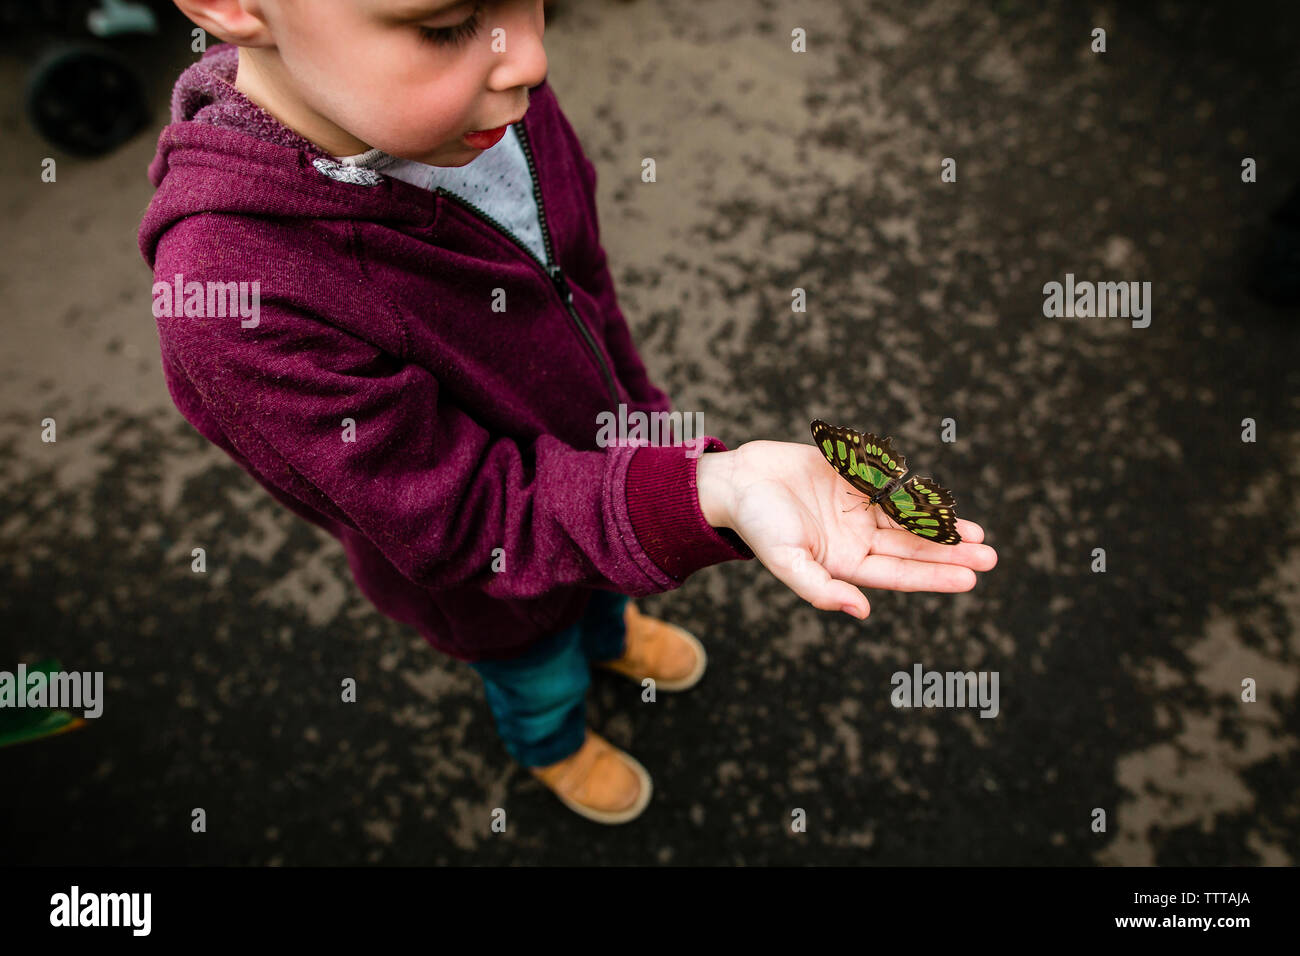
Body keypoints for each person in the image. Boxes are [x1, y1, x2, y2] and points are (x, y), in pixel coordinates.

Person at [139, 0, 997, 824]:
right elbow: (466, 520)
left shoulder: (489, 102)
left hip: (614, 476)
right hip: (488, 586)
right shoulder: (230, 299)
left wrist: (680, 460)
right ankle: (550, 746)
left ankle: (613, 625)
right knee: (538, 672)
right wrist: (696, 498)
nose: (533, 58)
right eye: (446, 25)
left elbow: (581, 282)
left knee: (602, 599)